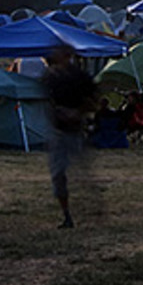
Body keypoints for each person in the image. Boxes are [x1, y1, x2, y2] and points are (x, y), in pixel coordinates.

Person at [42, 44, 98, 229]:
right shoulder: (51, 78)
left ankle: (90, 209)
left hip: (74, 132)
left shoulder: (80, 78)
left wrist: (75, 112)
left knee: (80, 174)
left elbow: (94, 103)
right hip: (58, 132)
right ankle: (67, 215)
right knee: (59, 175)